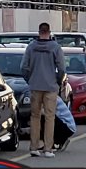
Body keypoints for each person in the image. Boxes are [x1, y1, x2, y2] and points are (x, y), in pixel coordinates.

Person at [21, 22, 65, 158]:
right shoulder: (55, 47)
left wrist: (30, 80)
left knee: (35, 116)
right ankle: (47, 149)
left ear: (39, 32)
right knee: (49, 117)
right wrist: (57, 81)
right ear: (49, 32)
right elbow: (62, 68)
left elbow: (24, 67)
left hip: (35, 86)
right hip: (50, 86)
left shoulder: (31, 47)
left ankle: (34, 147)